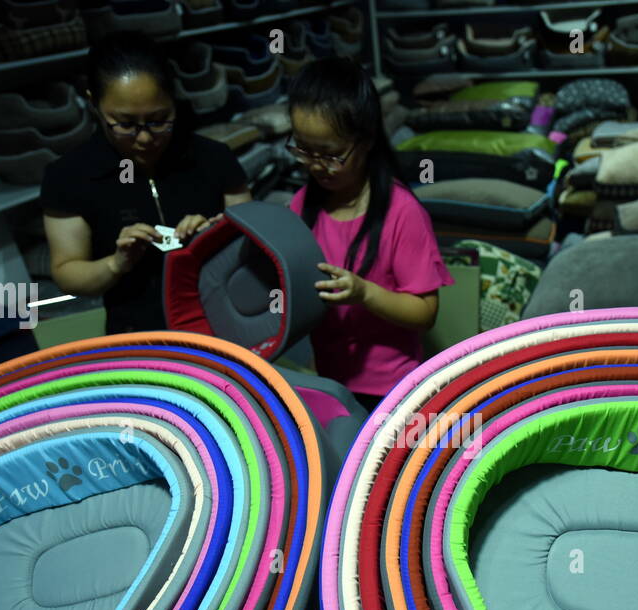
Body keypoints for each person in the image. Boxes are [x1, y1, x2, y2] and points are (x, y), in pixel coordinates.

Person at [41, 31, 252, 335]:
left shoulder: (213, 158)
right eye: (125, 124)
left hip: (224, 319)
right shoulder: (69, 177)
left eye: (159, 119)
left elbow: (255, 239)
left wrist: (219, 235)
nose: (144, 138)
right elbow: (68, 272)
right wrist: (116, 263)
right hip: (138, 333)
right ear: (94, 104)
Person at [287, 57, 452, 412]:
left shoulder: (401, 212)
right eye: (304, 150)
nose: (317, 165)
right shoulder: (301, 206)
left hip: (393, 391)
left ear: (366, 141)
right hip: (330, 384)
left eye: (331, 154)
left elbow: (425, 312)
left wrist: (364, 292)